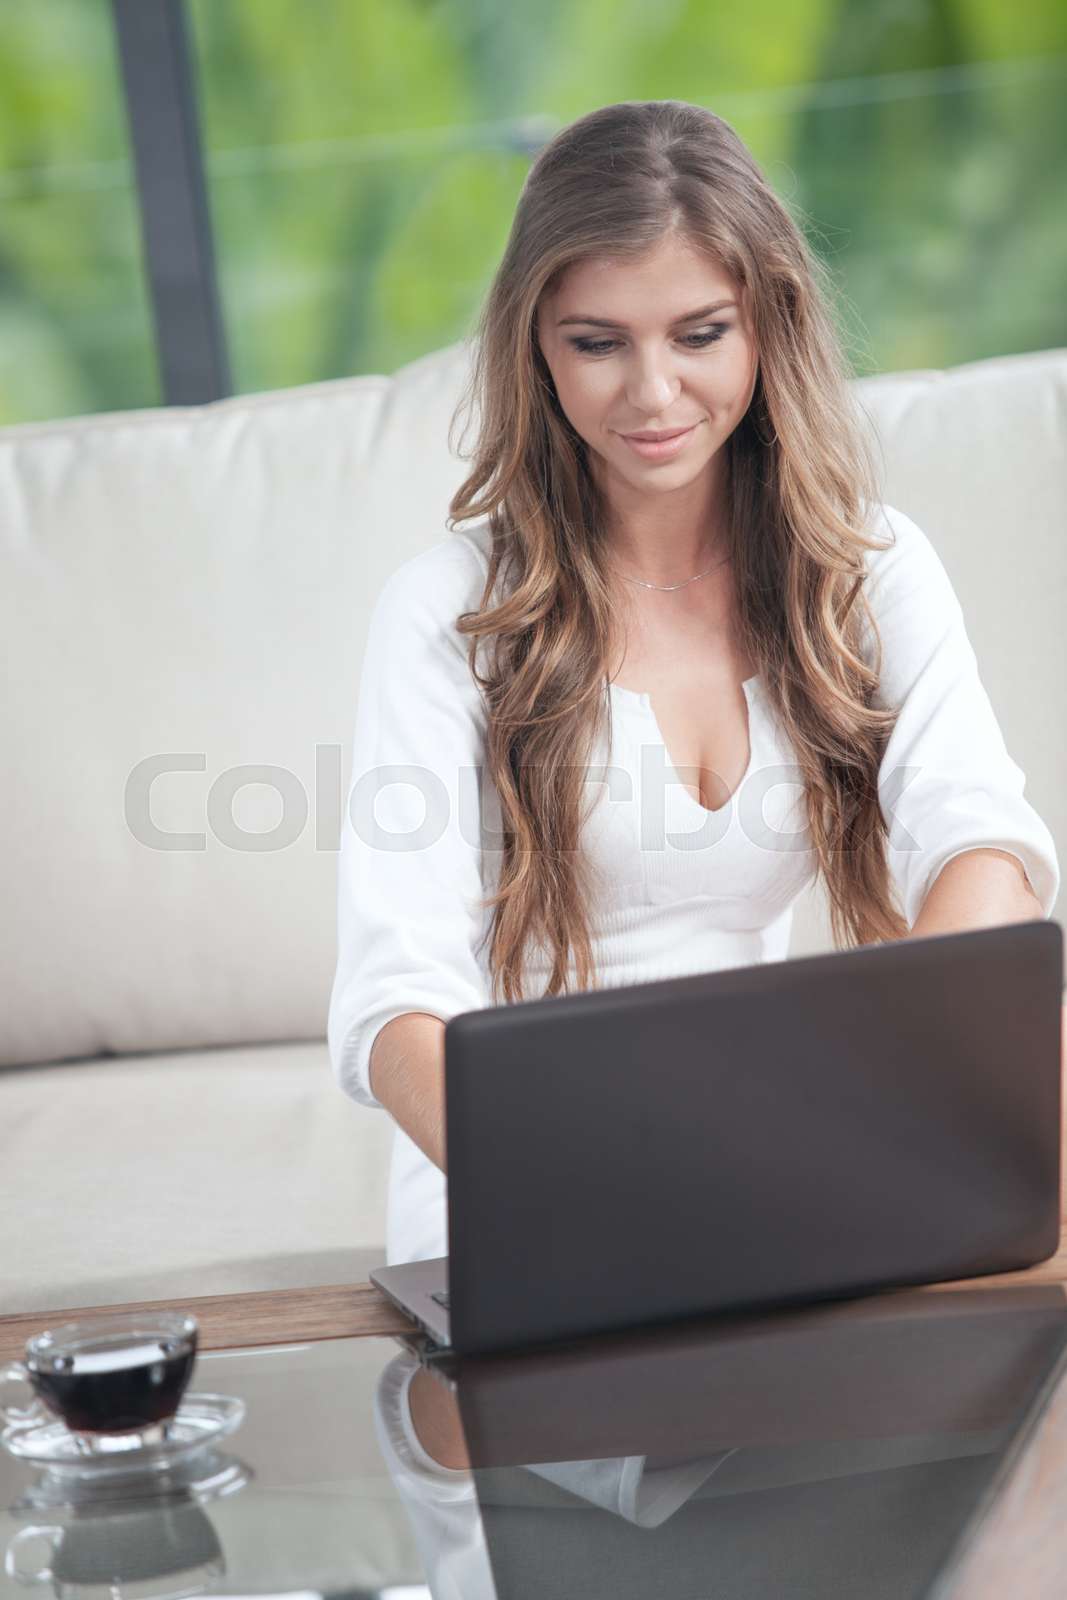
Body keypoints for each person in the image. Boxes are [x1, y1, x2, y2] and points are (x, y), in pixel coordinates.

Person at [327, 100, 1060, 1269]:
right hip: (537, 1195)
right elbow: (393, 1001)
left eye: (698, 333)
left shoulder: (866, 568)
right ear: (535, 346)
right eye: (596, 341)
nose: (652, 394)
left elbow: (980, 845)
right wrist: (587, 1195)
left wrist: (914, 1093)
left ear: (767, 326)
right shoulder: (447, 612)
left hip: (773, 1168)